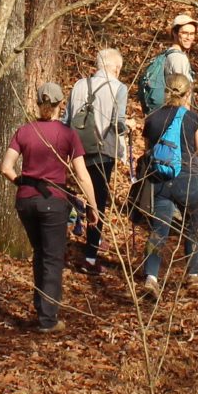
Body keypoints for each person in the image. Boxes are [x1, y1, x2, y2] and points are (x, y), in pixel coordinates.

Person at [5, 83, 98, 331]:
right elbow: (82, 174)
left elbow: (6, 167)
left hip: (25, 201)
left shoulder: (24, 131)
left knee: (40, 253)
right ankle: (48, 318)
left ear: (38, 103)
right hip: (54, 202)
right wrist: (92, 207)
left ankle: (42, 308)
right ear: (60, 105)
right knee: (53, 258)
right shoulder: (67, 135)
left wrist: (20, 181)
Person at [138, 74, 198, 292]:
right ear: (187, 92)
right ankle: (193, 274)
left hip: (160, 181)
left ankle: (151, 277)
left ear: (165, 92)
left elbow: (148, 150)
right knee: (193, 225)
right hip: (188, 181)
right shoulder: (191, 118)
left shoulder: (152, 119)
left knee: (158, 230)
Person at [64, 49, 131, 277]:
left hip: (76, 149)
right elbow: (117, 123)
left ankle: (76, 237)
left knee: (79, 193)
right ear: (116, 68)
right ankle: (90, 256)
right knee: (98, 201)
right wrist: (128, 126)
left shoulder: (79, 85)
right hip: (103, 151)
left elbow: (66, 120)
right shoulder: (119, 89)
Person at [135, 11, 198, 114]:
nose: (189, 37)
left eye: (192, 34)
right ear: (174, 33)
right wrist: (186, 120)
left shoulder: (167, 54)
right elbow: (182, 93)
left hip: (161, 115)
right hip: (173, 116)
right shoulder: (178, 58)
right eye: (184, 33)